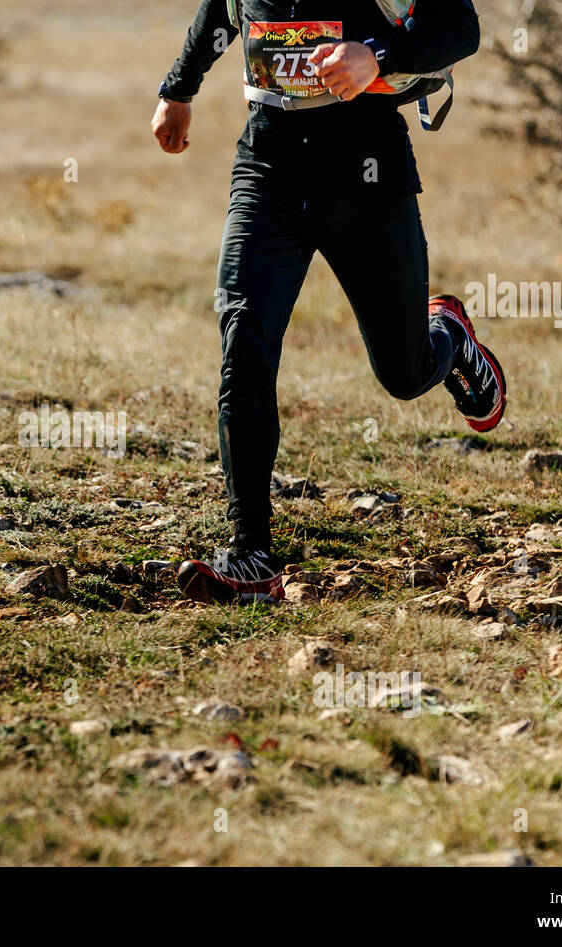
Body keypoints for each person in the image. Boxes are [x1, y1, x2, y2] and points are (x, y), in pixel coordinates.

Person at [153, 0, 507, 604]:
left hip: (367, 172)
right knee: (245, 338)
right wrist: (179, 88)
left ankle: (446, 340)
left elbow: (458, 27)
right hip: (268, 166)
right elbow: (223, 6)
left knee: (402, 373)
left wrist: (377, 55)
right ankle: (251, 555)